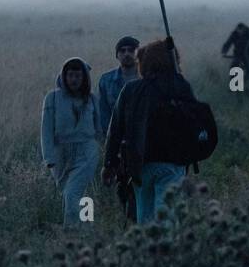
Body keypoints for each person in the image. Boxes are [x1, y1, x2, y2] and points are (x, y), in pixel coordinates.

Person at [103, 39, 194, 224]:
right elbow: (192, 121)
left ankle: (147, 251)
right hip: (173, 162)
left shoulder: (131, 89)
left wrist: (109, 163)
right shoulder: (180, 85)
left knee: (144, 216)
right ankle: (164, 251)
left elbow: (115, 130)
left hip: (140, 164)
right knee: (166, 216)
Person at [40, 57, 103, 228]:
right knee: (77, 193)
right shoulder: (52, 98)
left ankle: (71, 233)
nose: (74, 79)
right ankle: (88, 229)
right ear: (63, 77)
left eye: (78, 76)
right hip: (61, 154)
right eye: (70, 75)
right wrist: (49, 158)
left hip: (87, 150)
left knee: (72, 192)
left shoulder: (91, 99)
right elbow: (46, 131)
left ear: (84, 78)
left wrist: (105, 151)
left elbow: (100, 129)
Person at [97, 36, 141, 221]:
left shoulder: (146, 78)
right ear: (117, 55)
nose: (127, 54)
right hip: (118, 141)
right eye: (122, 50)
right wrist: (108, 144)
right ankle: (130, 220)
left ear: (138, 54)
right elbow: (104, 114)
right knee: (122, 185)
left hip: (142, 140)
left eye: (131, 50)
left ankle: (141, 220)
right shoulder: (107, 81)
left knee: (140, 183)